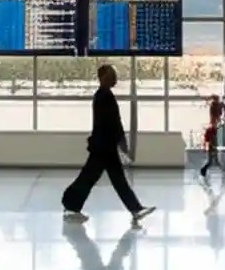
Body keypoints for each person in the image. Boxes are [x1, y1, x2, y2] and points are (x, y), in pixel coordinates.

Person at [62, 64, 156, 225]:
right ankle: (135, 209)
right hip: (105, 146)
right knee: (107, 178)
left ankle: (71, 204)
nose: (114, 78)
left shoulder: (102, 95)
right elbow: (113, 122)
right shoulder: (104, 96)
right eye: (111, 75)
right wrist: (122, 142)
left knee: (91, 176)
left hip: (102, 145)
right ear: (103, 78)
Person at [199, 94, 225, 179]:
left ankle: (221, 171)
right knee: (212, 161)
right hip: (211, 146)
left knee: (214, 161)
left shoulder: (212, 128)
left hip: (212, 146)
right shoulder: (212, 129)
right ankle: (204, 170)